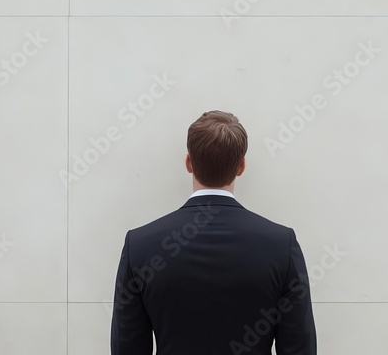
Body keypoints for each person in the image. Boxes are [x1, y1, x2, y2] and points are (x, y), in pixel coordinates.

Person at [111, 111, 318, 355]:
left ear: (189, 163)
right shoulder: (282, 245)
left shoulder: (140, 246)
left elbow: (128, 349)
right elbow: (299, 349)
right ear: (241, 166)